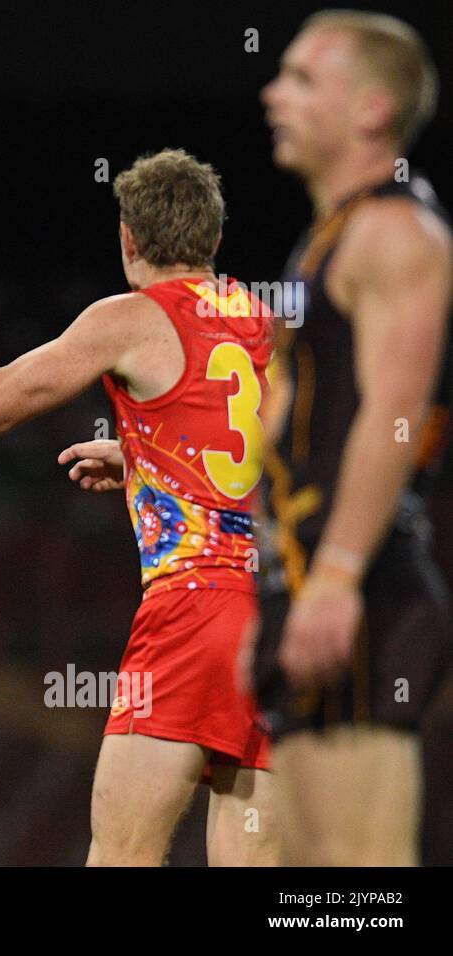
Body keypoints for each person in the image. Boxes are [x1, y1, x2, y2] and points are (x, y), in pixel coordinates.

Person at [0, 149, 278, 865]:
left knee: (122, 852)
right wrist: (147, 459)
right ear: (216, 241)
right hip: (278, 604)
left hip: (194, 607)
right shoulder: (260, 320)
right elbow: (268, 456)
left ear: (129, 241)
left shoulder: (130, 317)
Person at [253, 10, 453, 865]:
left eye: (302, 77)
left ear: (373, 109)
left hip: (361, 602)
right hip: (307, 589)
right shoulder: (327, 240)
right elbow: (281, 414)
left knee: (358, 889)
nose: (273, 91)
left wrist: (335, 579)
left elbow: (391, 415)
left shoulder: (395, 231)